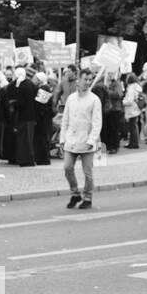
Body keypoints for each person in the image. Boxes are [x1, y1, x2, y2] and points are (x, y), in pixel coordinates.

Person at [59, 68, 102, 210]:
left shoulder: (94, 99)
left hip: (87, 140)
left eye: (90, 80)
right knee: (67, 167)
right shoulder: (71, 98)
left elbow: (97, 122)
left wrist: (91, 140)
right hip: (71, 139)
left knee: (88, 172)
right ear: (79, 80)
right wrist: (62, 138)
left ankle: (88, 197)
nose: (88, 82)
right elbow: (65, 119)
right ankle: (75, 193)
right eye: (85, 79)